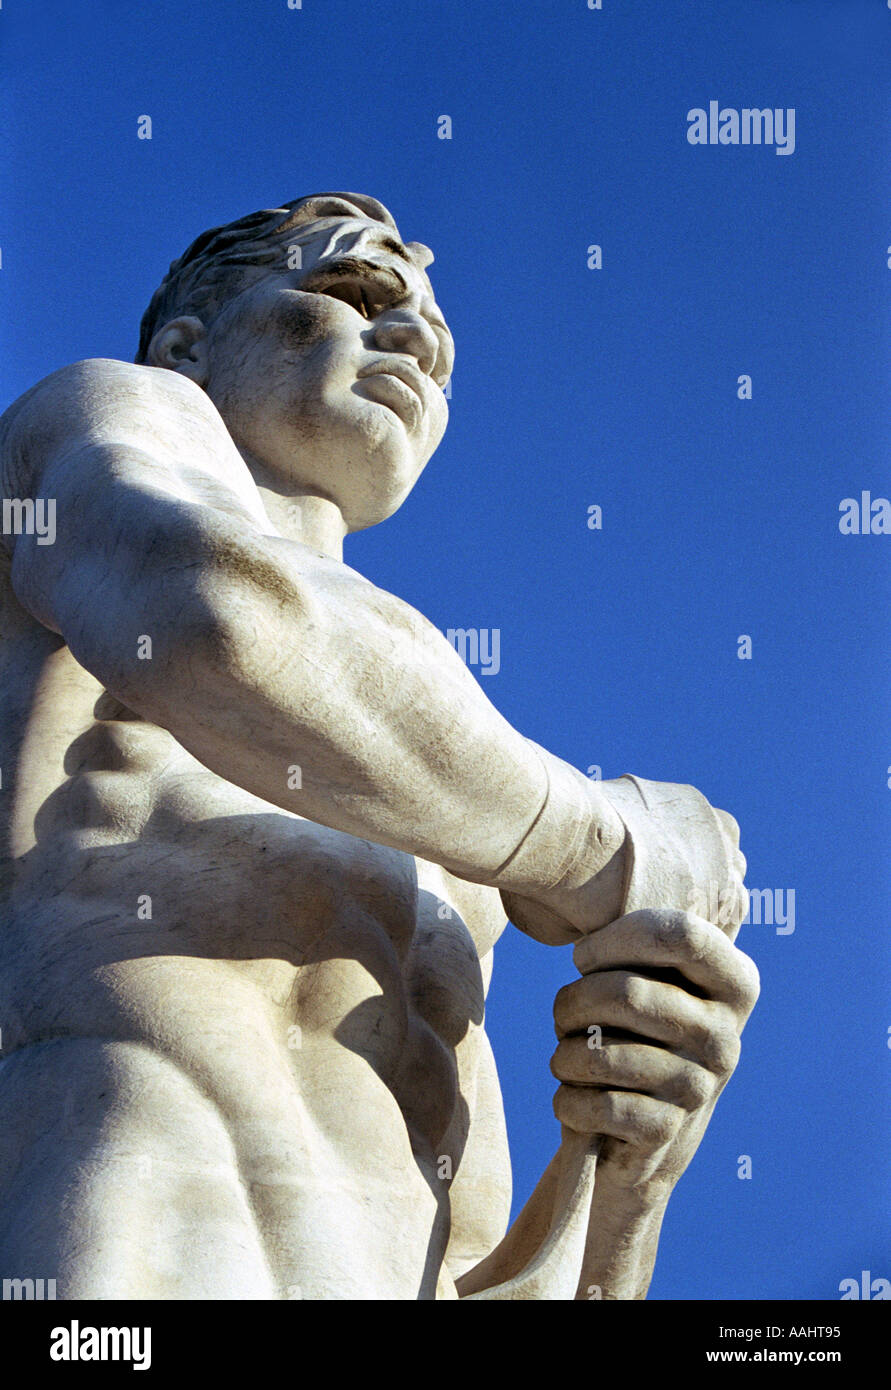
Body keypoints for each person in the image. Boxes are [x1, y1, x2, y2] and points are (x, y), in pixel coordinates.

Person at [0, 193, 758, 1299]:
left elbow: (478, 1278)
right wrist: (603, 842)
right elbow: (216, 615)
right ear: (188, 343)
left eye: (438, 343)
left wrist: (625, 1172)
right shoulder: (99, 424)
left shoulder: (455, 825)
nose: (413, 339)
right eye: (356, 294)